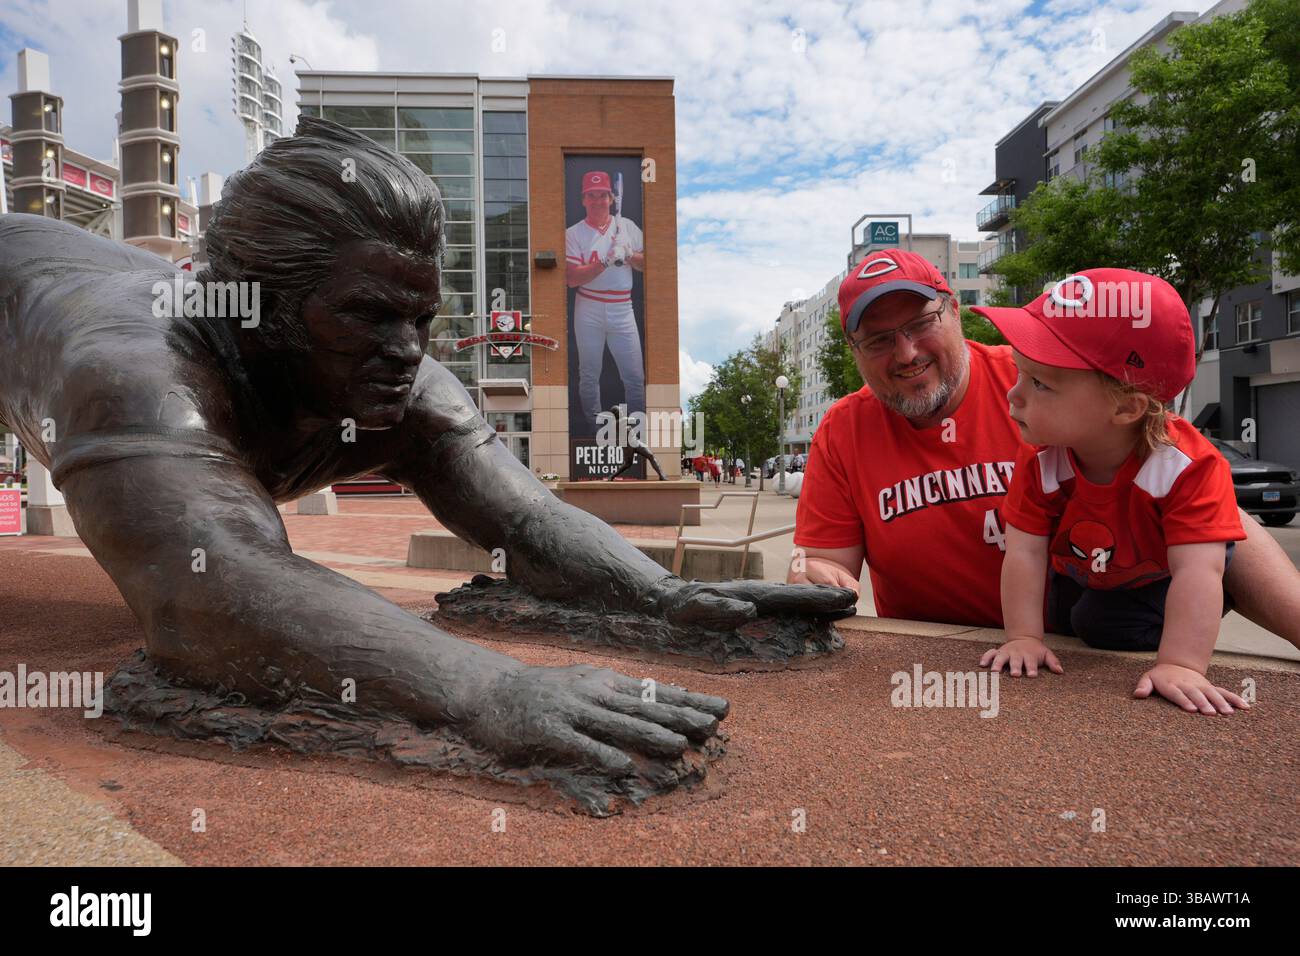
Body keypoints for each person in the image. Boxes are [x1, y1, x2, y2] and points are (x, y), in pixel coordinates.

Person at [0, 117, 856, 789]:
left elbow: (522, 515)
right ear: (249, 308)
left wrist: (666, 599)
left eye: (420, 318)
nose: (407, 349)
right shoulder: (134, 373)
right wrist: (482, 691)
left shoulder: (403, 376)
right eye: (369, 315)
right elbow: (207, 590)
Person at [789, 249, 1300, 652]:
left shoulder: (1047, 374)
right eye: (877, 340)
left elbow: (1188, 485)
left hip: (1085, 643)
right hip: (943, 656)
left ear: (954, 312)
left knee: (1216, 519)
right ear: (853, 352)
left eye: (921, 323)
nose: (906, 352)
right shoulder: (842, 430)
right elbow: (829, 574)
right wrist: (811, 576)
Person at [976, 269, 1251, 716]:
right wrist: (1023, 637)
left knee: (1096, 623)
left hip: (1159, 570)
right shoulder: (1043, 457)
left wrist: (1180, 663)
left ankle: (1188, 617)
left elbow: (1196, 571)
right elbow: (1024, 552)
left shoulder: (1186, 467)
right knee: (1063, 616)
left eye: (1040, 383)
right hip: (1093, 563)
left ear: (1126, 406)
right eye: (1019, 373)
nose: (1013, 395)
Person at [565, 171, 646, 433]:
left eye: (603, 195)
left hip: (623, 307)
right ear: (583, 199)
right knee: (589, 373)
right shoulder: (573, 233)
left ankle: (636, 432)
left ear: (612, 198)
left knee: (634, 376)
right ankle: (594, 429)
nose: (598, 200)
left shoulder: (628, 227)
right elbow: (572, 278)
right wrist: (604, 261)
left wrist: (630, 253)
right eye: (592, 195)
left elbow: (651, 265)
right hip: (588, 306)